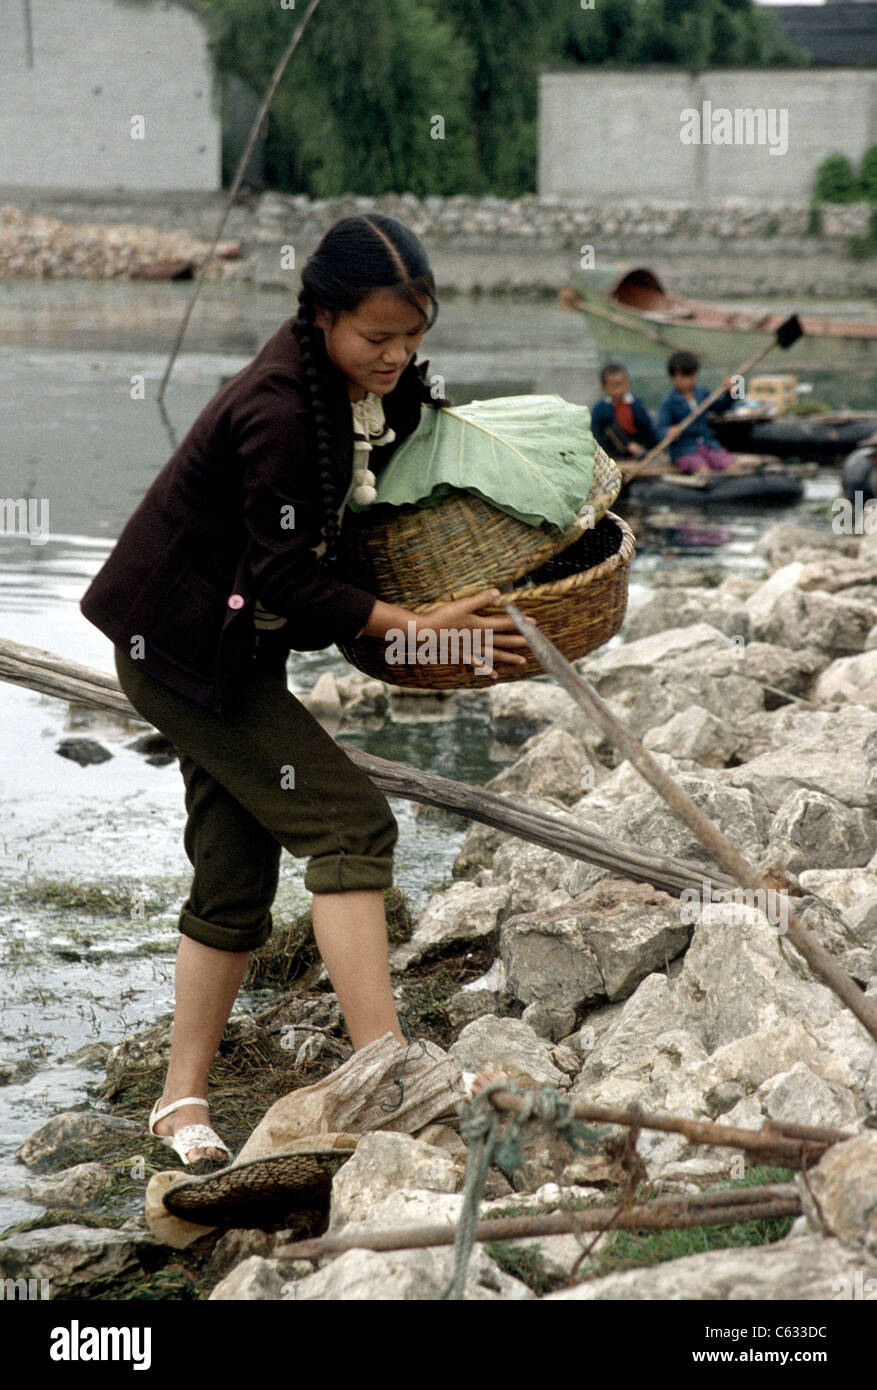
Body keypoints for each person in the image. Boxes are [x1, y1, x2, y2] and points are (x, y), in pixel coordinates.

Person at [80, 215, 527, 1167]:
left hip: (229, 651)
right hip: (185, 654)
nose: (399, 356)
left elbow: (412, 453)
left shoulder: (365, 388)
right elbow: (283, 580)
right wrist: (414, 626)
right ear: (319, 315)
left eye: (414, 336)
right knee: (351, 827)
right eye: (378, 338)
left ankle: (179, 1104)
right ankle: (387, 1072)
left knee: (235, 875)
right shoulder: (280, 408)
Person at [656, 350, 737, 474]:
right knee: (703, 471)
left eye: (691, 376)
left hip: (708, 445)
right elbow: (660, 430)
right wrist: (669, 432)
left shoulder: (701, 393)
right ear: (673, 377)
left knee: (732, 467)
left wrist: (731, 393)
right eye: (684, 377)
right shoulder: (668, 402)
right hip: (684, 450)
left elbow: (720, 408)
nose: (688, 381)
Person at [590, 362, 659, 460]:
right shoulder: (600, 409)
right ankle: (632, 449)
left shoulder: (636, 403)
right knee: (611, 428)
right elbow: (596, 434)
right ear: (604, 388)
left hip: (637, 443)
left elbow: (646, 426)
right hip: (614, 447)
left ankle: (639, 451)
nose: (619, 390)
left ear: (627, 383)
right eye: (614, 386)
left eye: (621, 384)